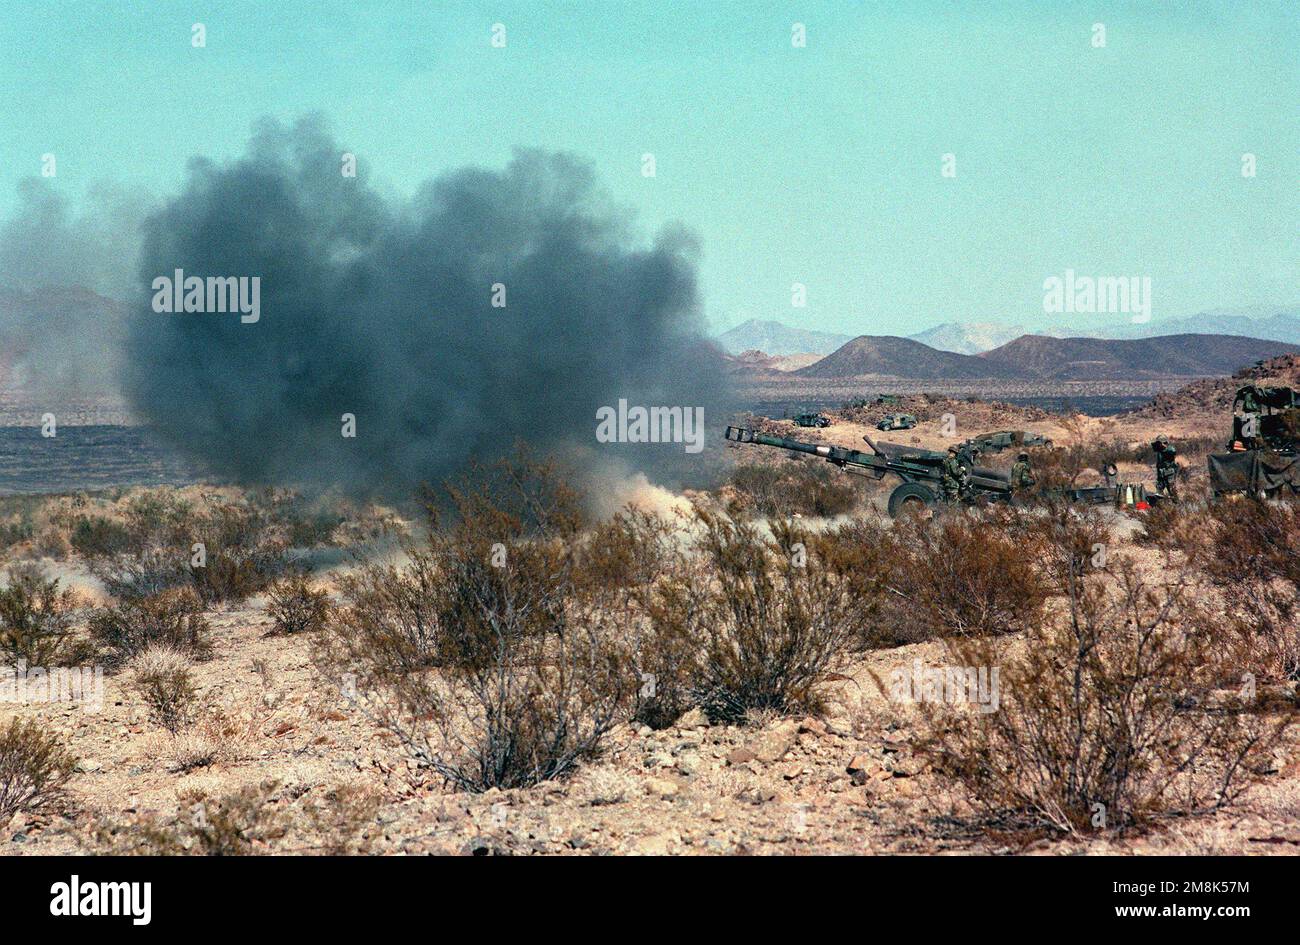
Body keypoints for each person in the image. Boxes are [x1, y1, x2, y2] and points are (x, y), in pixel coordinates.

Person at [1152, 434, 1179, 501]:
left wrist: (1164, 447)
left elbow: (1173, 451)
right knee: (1159, 492)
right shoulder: (1159, 451)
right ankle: (1161, 507)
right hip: (1161, 474)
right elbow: (1158, 465)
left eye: (1160, 442)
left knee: (1172, 491)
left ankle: (1177, 505)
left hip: (1169, 473)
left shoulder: (1169, 449)